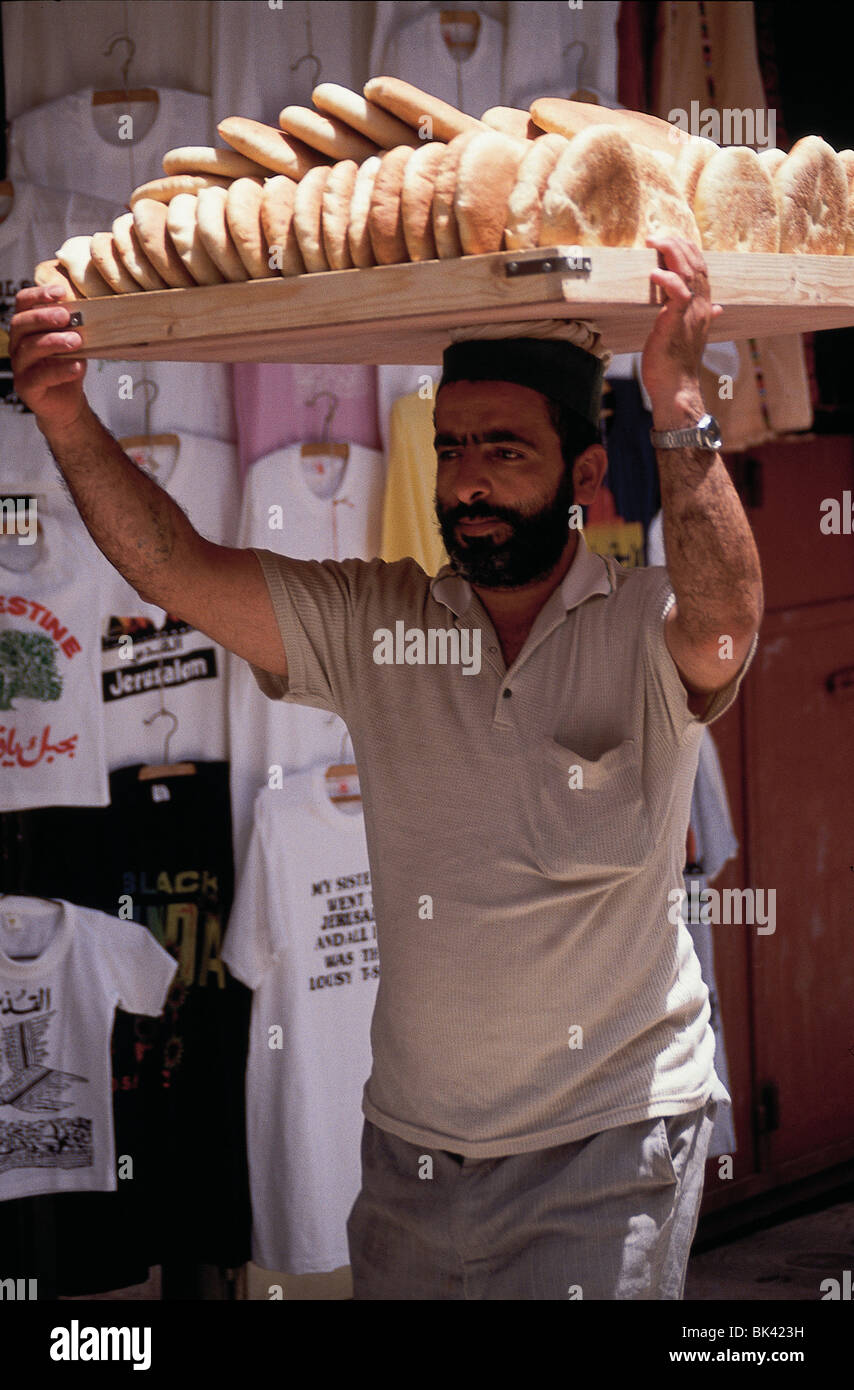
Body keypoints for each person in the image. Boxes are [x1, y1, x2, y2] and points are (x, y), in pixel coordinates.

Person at [9, 234, 763, 1300]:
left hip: (603, 1149)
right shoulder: (381, 625)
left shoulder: (641, 629)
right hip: (408, 1157)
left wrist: (680, 409)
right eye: (451, 450)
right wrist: (66, 418)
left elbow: (727, 623)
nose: (466, 484)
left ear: (585, 474)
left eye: (504, 451)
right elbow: (174, 568)